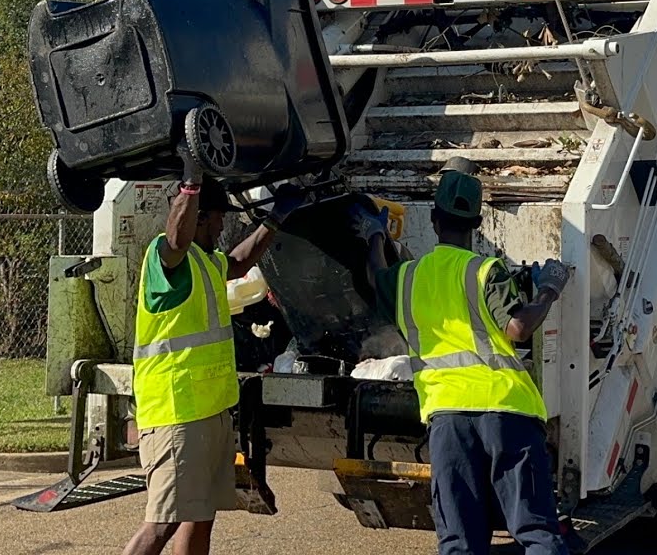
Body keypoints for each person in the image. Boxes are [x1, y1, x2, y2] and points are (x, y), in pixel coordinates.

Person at [352, 162, 572, 555]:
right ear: (478, 222)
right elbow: (517, 329)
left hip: (448, 418)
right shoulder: (486, 270)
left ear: (434, 220)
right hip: (507, 413)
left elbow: (374, 276)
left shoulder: (406, 277)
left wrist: (375, 236)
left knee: (460, 541)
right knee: (535, 532)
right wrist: (549, 290)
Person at [124, 147, 303, 555]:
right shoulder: (166, 260)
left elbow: (240, 262)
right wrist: (192, 183)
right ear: (199, 217)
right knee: (162, 523)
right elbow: (175, 238)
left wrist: (274, 220)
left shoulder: (207, 263)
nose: (224, 226)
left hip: (207, 413)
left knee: (199, 515)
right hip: (175, 414)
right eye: (219, 217)